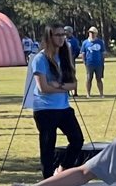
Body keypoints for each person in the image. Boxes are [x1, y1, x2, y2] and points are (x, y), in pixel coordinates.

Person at [28, 23, 85, 177]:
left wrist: (58, 85)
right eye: (58, 35)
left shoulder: (66, 56)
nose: (62, 38)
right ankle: (47, 180)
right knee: (47, 147)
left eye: (63, 35)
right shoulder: (40, 59)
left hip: (63, 108)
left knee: (77, 140)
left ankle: (62, 170)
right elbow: (43, 88)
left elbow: (74, 84)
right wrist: (63, 87)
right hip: (45, 110)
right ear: (49, 37)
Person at [82, 27, 107, 96]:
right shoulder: (85, 43)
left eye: (93, 33)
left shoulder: (100, 42)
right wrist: (84, 62)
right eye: (90, 33)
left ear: (96, 34)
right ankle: (88, 93)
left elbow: (103, 53)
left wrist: (102, 62)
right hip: (89, 63)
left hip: (98, 64)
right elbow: (83, 53)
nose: (91, 34)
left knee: (99, 78)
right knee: (89, 78)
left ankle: (101, 93)